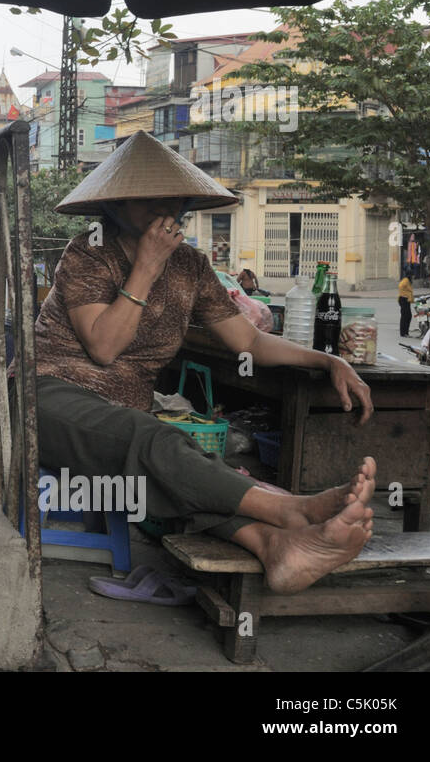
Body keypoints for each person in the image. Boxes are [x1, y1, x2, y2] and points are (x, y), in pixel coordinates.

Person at [28, 131, 375, 596]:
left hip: (125, 411)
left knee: (180, 465)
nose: (162, 208)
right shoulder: (88, 251)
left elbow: (248, 340)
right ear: (113, 205)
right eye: (145, 199)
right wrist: (147, 267)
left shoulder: (190, 265)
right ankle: (290, 512)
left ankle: (277, 548)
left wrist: (328, 360)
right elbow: (104, 348)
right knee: (155, 440)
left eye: (171, 197)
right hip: (50, 395)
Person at [399, 271, 414, 337]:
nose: (413, 277)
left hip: (406, 300)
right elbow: (400, 286)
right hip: (403, 299)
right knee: (405, 316)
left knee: (408, 316)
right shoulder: (405, 281)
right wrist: (404, 292)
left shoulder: (407, 281)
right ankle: (403, 333)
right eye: (412, 276)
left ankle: (405, 332)